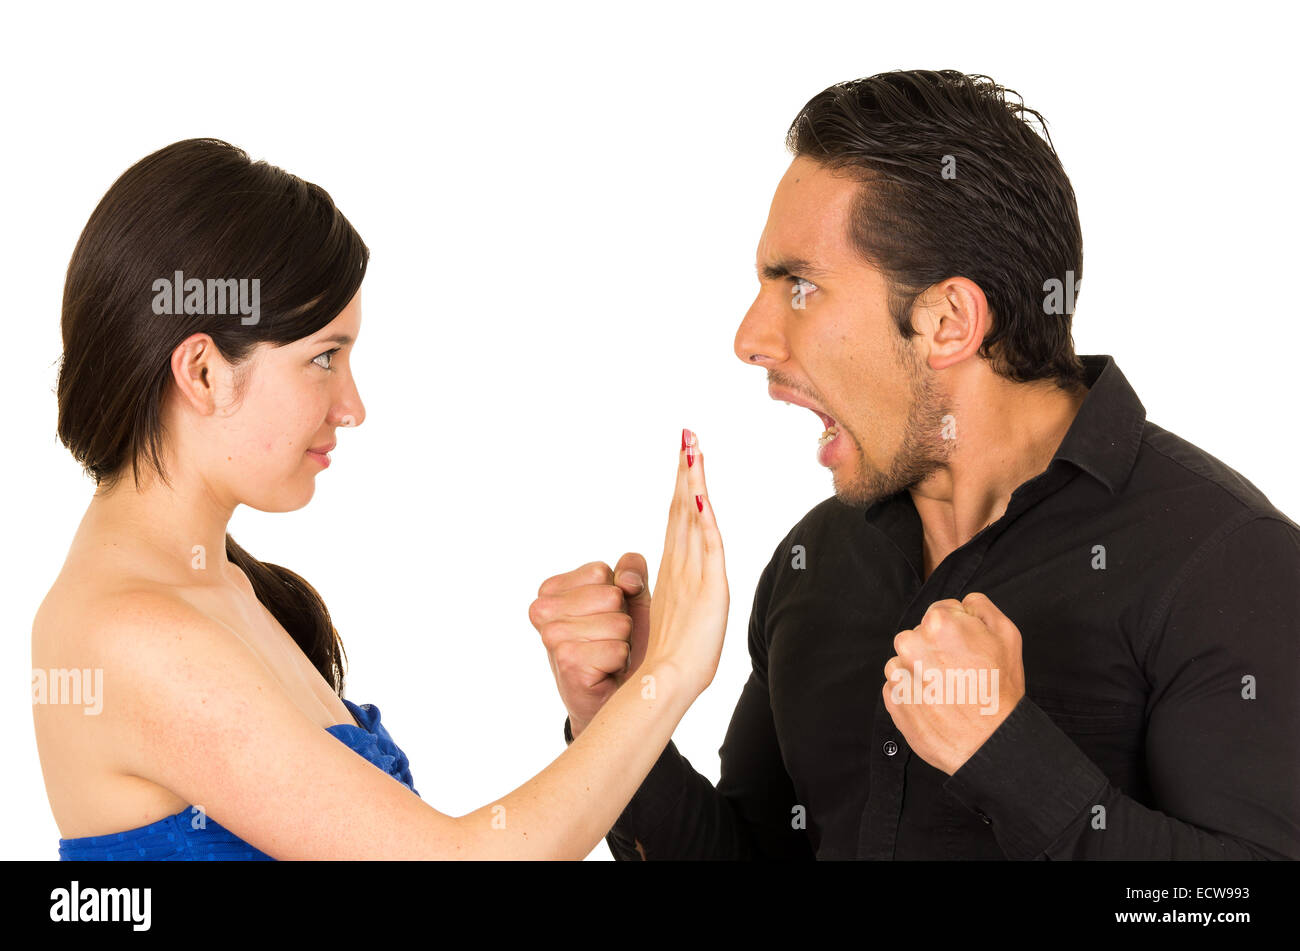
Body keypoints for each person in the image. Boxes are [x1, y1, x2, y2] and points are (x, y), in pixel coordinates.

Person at [531, 69, 1300, 860]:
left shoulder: (1225, 560)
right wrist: (617, 722)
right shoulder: (816, 560)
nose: (750, 337)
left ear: (946, 320)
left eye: (798, 286)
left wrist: (1007, 756)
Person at [34, 138, 729, 860]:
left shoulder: (223, 586)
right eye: (323, 358)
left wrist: (615, 706)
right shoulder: (133, 632)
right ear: (204, 371)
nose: (352, 405)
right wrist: (670, 673)